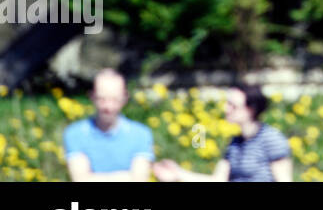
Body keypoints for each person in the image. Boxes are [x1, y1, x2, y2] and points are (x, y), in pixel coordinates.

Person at [153, 84, 292, 182]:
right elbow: (218, 180)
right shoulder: (235, 143)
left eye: (233, 105)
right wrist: (178, 174)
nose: (226, 108)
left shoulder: (272, 140)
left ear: (251, 109)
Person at [63, 68, 154, 182]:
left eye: (114, 99)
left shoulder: (141, 135)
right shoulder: (74, 134)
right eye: (102, 99)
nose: (108, 107)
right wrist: (126, 177)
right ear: (92, 96)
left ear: (125, 98)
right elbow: (80, 179)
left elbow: (140, 179)